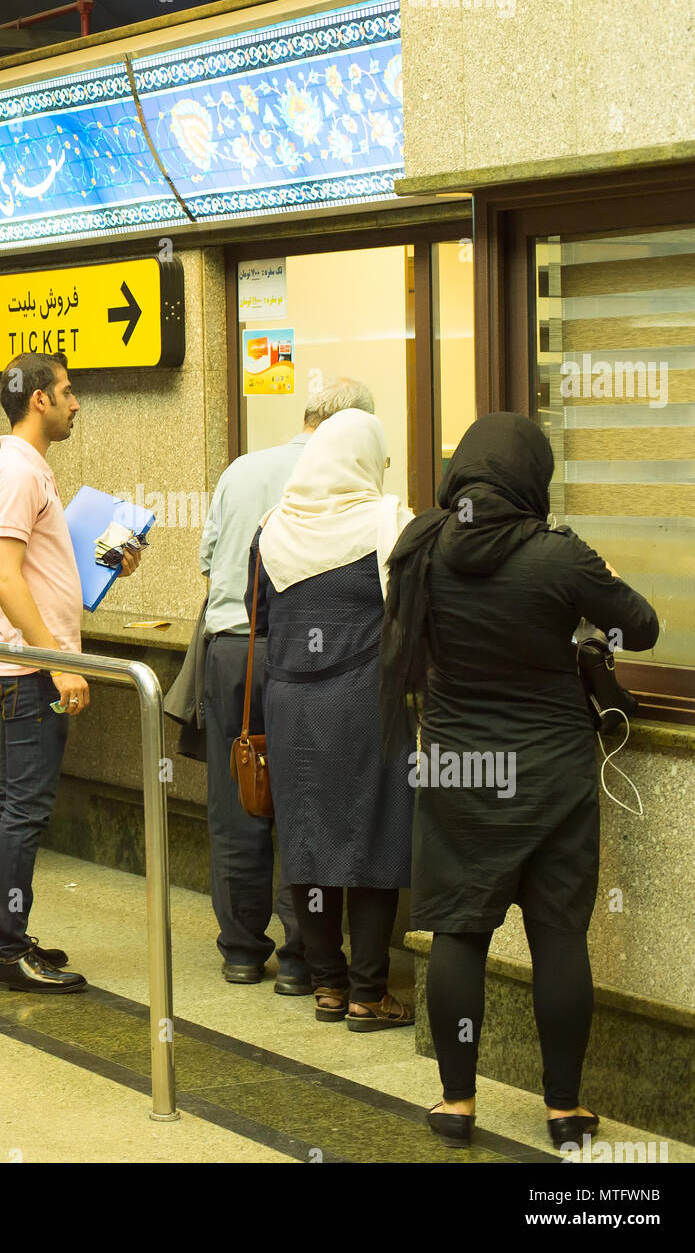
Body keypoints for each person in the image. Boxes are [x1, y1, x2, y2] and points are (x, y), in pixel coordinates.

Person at [379, 412, 659, 1148]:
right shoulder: (558, 557)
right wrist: (610, 591)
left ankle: (457, 1104)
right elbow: (643, 626)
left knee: (459, 933)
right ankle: (564, 1111)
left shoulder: (423, 548)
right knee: (560, 936)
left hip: (458, 768)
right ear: (531, 476)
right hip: (551, 774)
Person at [199, 379, 375, 992]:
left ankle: (242, 952)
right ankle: (304, 960)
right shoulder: (354, 489)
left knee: (239, 804)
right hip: (308, 665)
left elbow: (210, 562)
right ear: (353, 428)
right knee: (305, 808)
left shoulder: (241, 470)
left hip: (231, 651)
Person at [0, 352, 140, 994]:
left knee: (19, 806)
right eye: (68, 392)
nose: (76, 404)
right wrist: (54, 660)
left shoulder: (31, 470)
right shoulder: (15, 471)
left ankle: (5, 935)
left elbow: (46, 561)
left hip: (33, 664)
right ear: (38, 400)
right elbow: (4, 576)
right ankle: (3, 947)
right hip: (30, 670)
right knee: (25, 808)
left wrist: (108, 559)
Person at [248, 408, 416, 1029]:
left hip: (291, 704)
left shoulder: (271, 529)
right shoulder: (386, 524)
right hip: (365, 702)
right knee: (372, 836)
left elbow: (258, 619)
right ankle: (370, 995)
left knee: (308, 839)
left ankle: (327, 985)